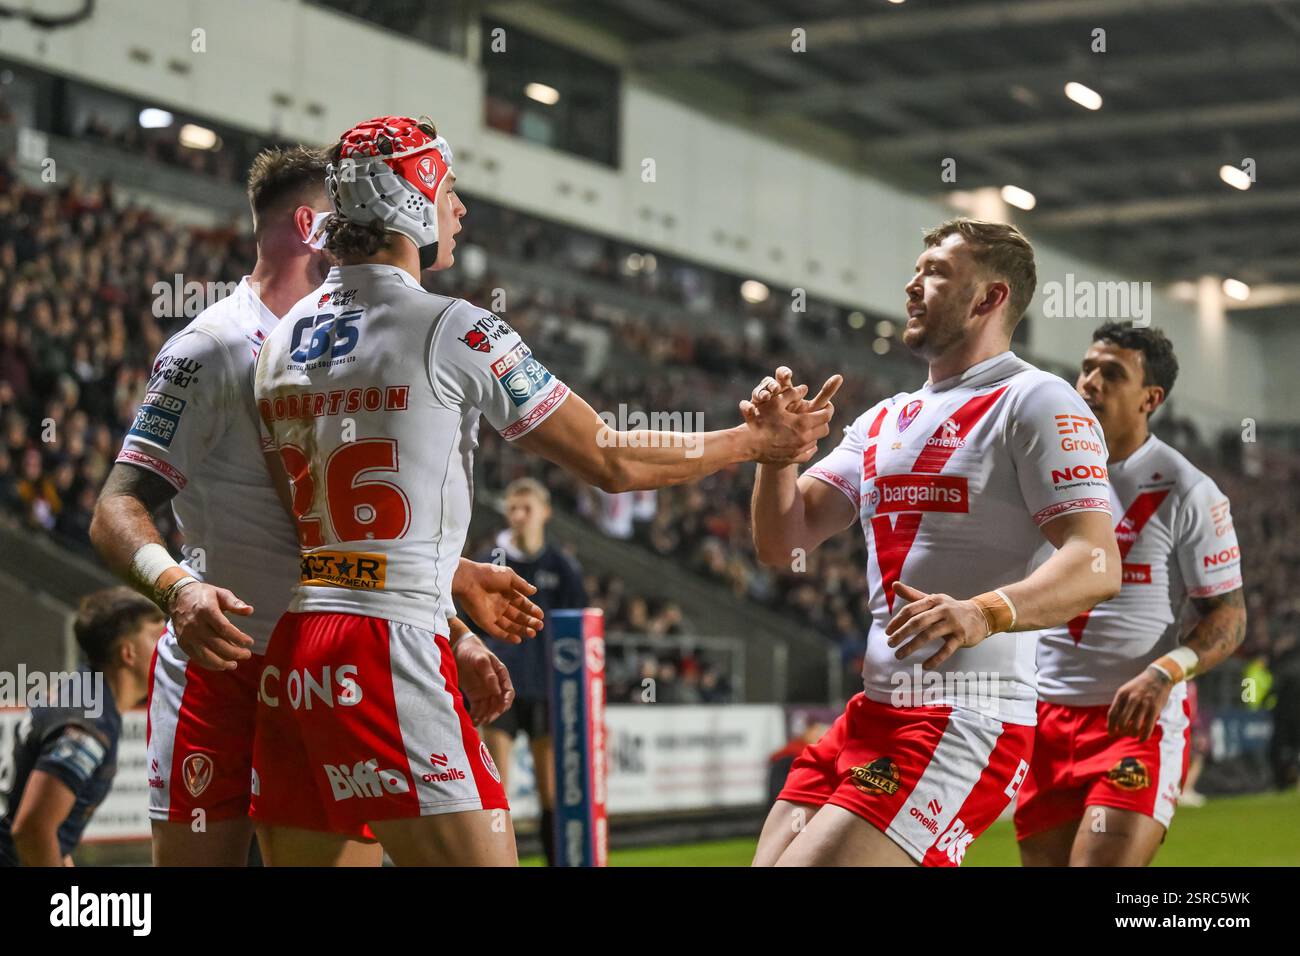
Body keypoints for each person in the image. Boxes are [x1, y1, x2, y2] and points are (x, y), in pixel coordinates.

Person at [251, 114, 836, 866]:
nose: (457, 209)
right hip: (388, 645)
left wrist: (451, 596)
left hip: (300, 647)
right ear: (410, 200)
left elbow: (310, 526)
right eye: (450, 190)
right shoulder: (455, 327)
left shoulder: (278, 341)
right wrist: (753, 443)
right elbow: (611, 458)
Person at [90, 145, 543, 866]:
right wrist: (176, 588)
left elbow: (340, 536)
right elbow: (115, 507)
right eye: (350, 212)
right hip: (226, 668)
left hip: (327, 667)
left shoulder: (347, 344)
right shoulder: (213, 346)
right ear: (311, 224)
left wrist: (448, 614)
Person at [746, 218, 1121, 867]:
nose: (912, 286)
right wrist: (775, 456)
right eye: (917, 272)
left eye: (936, 272)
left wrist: (983, 611)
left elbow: (1096, 560)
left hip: (965, 722)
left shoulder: (1035, 400)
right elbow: (785, 542)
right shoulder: (885, 417)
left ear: (989, 297)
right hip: (871, 713)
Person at [1014, 323, 1247, 866]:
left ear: (1151, 399)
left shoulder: (1188, 490)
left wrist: (1165, 672)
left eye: (1111, 374)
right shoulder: (1041, 469)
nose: (1090, 382)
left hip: (1135, 723)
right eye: (1088, 368)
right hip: (1043, 719)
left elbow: (1229, 617)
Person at [0, 587, 163, 866]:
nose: (167, 650)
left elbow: (45, 830)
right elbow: (31, 830)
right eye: (158, 638)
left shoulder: (82, 693)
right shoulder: (88, 722)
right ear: (128, 653)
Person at [475, 477, 587, 866]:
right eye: (512, 508)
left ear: (545, 512)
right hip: (499, 685)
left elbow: (582, 625)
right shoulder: (490, 558)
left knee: (551, 792)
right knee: (495, 790)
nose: (519, 515)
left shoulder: (562, 566)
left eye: (527, 508)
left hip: (547, 689)